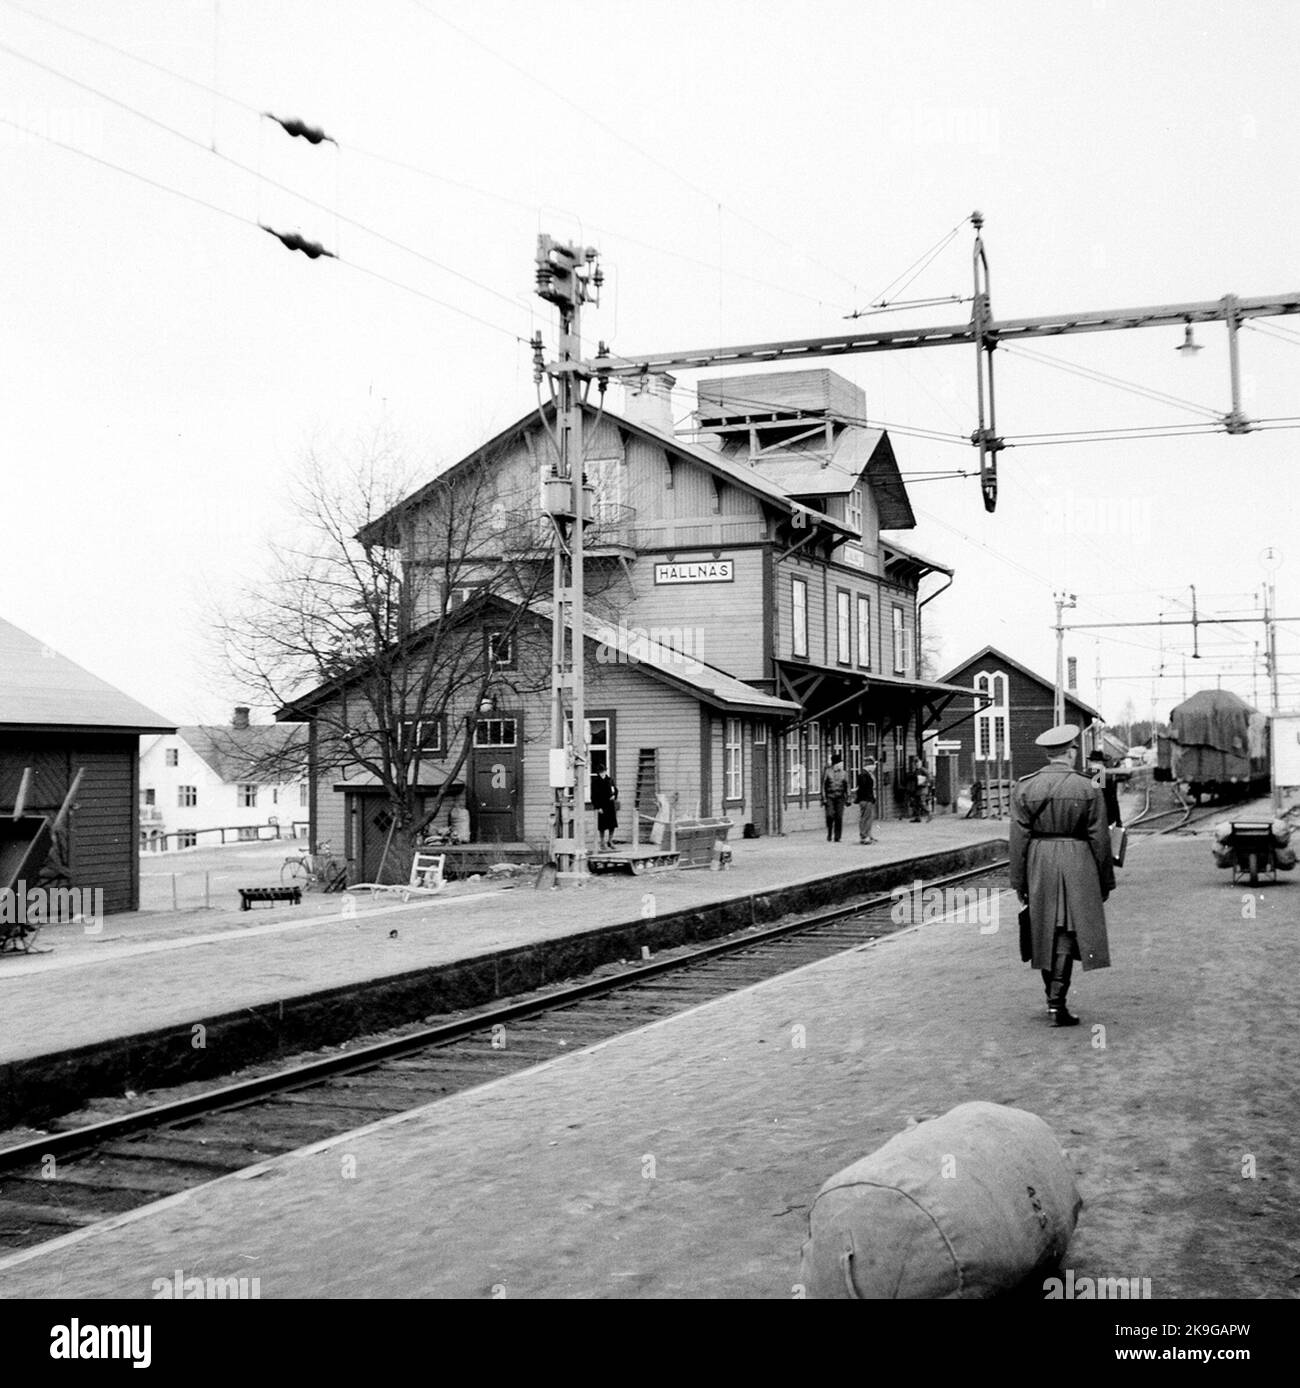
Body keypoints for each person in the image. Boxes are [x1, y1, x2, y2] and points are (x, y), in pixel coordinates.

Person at [1009, 724, 1115, 1028]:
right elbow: (1100, 839)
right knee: (1067, 930)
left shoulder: (1026, 786)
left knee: (1044, 929)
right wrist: (1105, 881)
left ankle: (1053, 1000)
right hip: (1078, 860)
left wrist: (1018, 881)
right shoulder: (1089, 786)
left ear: (1047, 753)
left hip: (1040, 860)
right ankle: (1057, 1004)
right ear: (1070, 752)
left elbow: (1018, 840)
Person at [1086, 749, 1123, 827]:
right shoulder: (1103, 775)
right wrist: (1118, 820)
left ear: (1091, 762)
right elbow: (1112, 801)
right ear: (1101, 762)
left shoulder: (1086, 774)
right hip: (1104, 818)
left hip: (1088, 817)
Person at [821, 753, 850, 842]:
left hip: (840, 797)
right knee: (829, 815)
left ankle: (837, 836)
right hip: (830, 797)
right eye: (840, 763)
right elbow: (823, 785)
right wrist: (824, 798)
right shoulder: (827, 772)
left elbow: (847, 786)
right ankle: (830, 832)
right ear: (835, 764)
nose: (841, 764)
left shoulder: (844, 773)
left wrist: (848, 797)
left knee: (839, 816)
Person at [591, 766, 618, 850]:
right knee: (602, 825)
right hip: (601, 805)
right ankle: (602, 842)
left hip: (610, 804)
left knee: (612, 824)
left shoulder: (609, 780)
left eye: (604, 771)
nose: (603, 773)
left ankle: (610, 840)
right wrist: (597, 807)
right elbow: (593, 796)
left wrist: (614, 796)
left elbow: (615, 790)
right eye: (601, 772)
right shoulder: (595, 782)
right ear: (598, 773)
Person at [855, 757, 878, 844]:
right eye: (873, 765)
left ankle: (867, 834)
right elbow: (866, 789)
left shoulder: (866, 774)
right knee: (866, 818)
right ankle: (864, 836)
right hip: (867, 799)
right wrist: (871, 798)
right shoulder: (865, 775)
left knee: (868, 817)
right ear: (869, 766)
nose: (874, 767)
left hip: (866, 799)